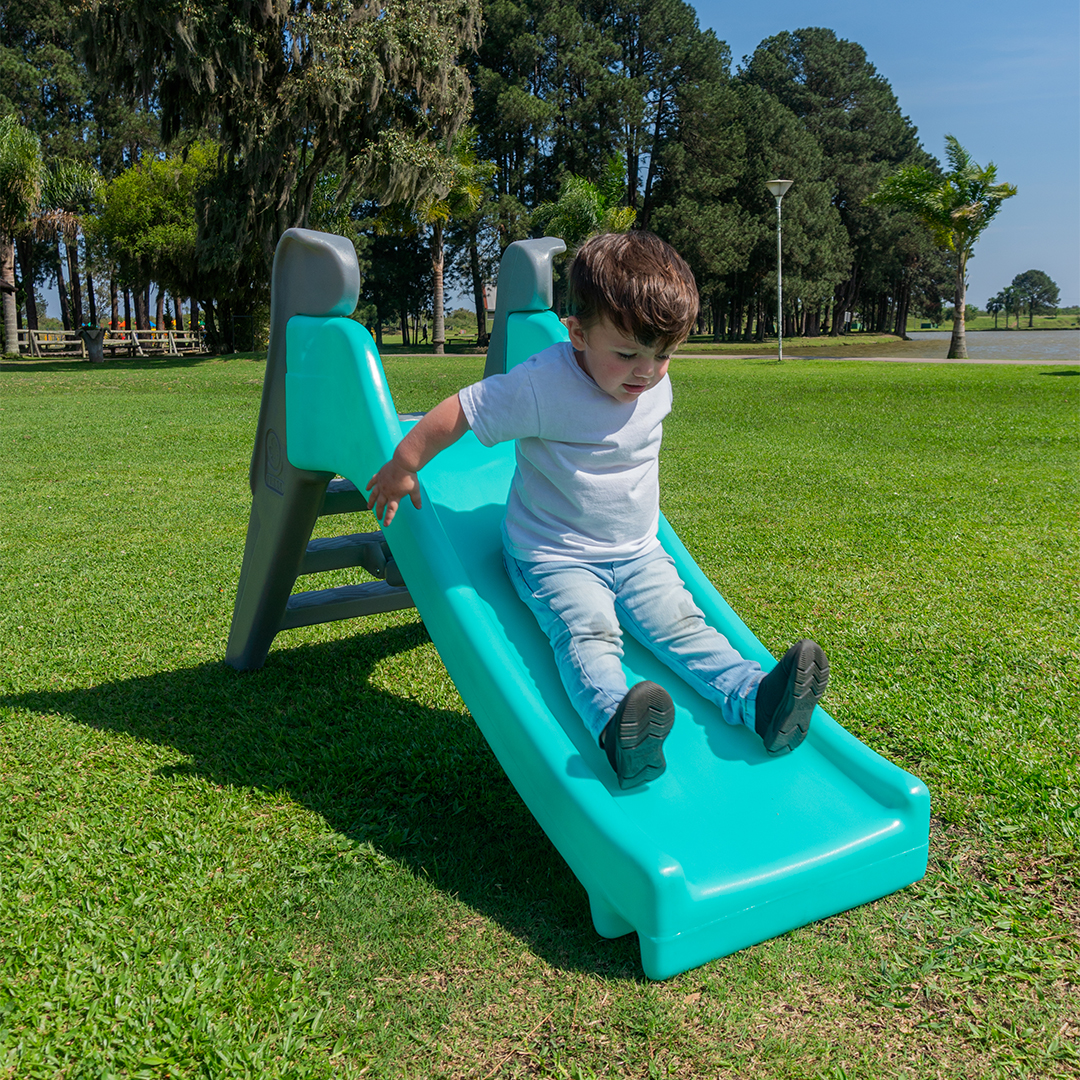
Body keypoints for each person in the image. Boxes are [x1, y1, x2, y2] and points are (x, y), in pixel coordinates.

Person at [367, 231, 829, 789]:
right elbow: (462, 411)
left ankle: (755, 700)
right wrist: (404, 462)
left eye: (663, 354)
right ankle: (618, 725)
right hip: (553, 556)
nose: (647, 371)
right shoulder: (543, 386)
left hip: (639, 552)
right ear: (578, 334)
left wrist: (645, 362)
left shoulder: (652, 380)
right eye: (629, 354)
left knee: (684, 626)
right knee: (588, 633)